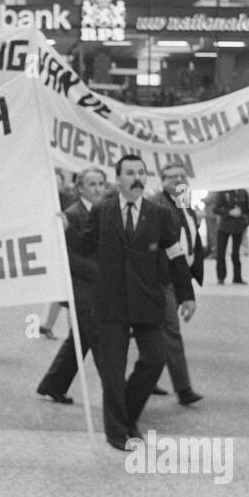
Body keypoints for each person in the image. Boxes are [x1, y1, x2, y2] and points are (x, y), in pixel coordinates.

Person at [79, 155, 196, 450]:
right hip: (111, 302)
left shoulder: (158, 213)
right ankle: (117, 431)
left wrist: (186, 294)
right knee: (113, 370)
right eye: (129, 173)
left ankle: (127, 414)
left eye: (141, 173)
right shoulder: (102, 211)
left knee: (155, 358)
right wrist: (62, 226)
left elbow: (174, 254)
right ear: (117, 179)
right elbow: (83, 247)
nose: (136, 178)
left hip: (147, 299)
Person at [35, 168, 111, 404]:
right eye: (92, 184)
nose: (98, 189)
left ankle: (53, 384)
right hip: (83, 288)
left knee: (81, 337)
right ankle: (116, 393)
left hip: (97, 286)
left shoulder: (103, 211)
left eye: (101, 183)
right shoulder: (73, 215)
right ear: (80, 188)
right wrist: (102, 273)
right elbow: (70, 257)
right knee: (99, 339)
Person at [153, 162, 205, 406]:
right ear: (162, 181)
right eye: (171, 177)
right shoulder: (157, 205)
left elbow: (187, 238)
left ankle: (147, 376)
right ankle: (183, 389)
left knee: (154, 333)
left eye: (181, 176)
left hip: (179, 276)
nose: (177, 180)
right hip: (161, 280)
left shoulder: (184, 203)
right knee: (171, 332)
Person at [213, 187, 249, 284]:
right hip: (224, 226)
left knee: (236, 253)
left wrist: (245, 222)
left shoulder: (243, 192)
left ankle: (237, 277)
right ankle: (221, 277)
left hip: (238, 227)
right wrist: (229, 212)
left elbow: (247, 210)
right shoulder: (223, 191)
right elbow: (216, 209)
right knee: (221, 252)